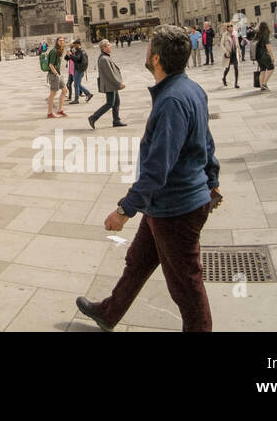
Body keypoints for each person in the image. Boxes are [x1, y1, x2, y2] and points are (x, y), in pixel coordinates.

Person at [76, 26, 223, 332]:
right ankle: (108, 312)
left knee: (187, 286)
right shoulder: (191, 89)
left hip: (176, 207)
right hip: (164, 205)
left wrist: (124, 210)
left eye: (149, 48)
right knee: (138, 261)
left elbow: (158, 168)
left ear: (156, 58)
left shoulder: (171, 101)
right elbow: (206, 142)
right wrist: (213, 178)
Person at [90, 38, 127, 128]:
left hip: (111, 85)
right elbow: (110, 74)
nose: (110, 47)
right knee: (110, 103)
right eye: (109, 45)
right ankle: (93, 117)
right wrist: (119, 84)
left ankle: (116, 120)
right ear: (104, 48)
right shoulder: (104, 59)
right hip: (110, 85)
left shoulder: (106, 57)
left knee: (116, 102)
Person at [45, 36, 66, 117]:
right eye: (60, 40)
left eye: (63, 40)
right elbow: (51, 65)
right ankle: (49, 113)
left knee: (64, 90)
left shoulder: (59, 50)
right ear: (57, 42)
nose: (62, 42)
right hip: (54, 75)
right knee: (53, 93)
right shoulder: (54, 51)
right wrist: (57, 74)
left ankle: (60, 110)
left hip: (58, 74)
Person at [252, 20, 275, 90]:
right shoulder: (266, 34)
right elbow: (268, 46)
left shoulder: (258, 34)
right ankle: (264, 83)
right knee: (271, 68)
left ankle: (262, 85)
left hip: (258, 56)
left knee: (262, 70)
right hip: (264, 54)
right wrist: (272, 56)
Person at [220, 23, 239, 89]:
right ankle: (224, 78)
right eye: (229, 27)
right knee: (227, 68)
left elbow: (237, 43)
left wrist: (239, 52)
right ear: (227, 28)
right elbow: (221, 44)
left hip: (234, 53)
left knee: (236, 68)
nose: (231, 28)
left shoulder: (235, 33)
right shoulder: (225, 34)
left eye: (232, 26)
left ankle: (236, 83)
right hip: (228, 53)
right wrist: (226, 51)